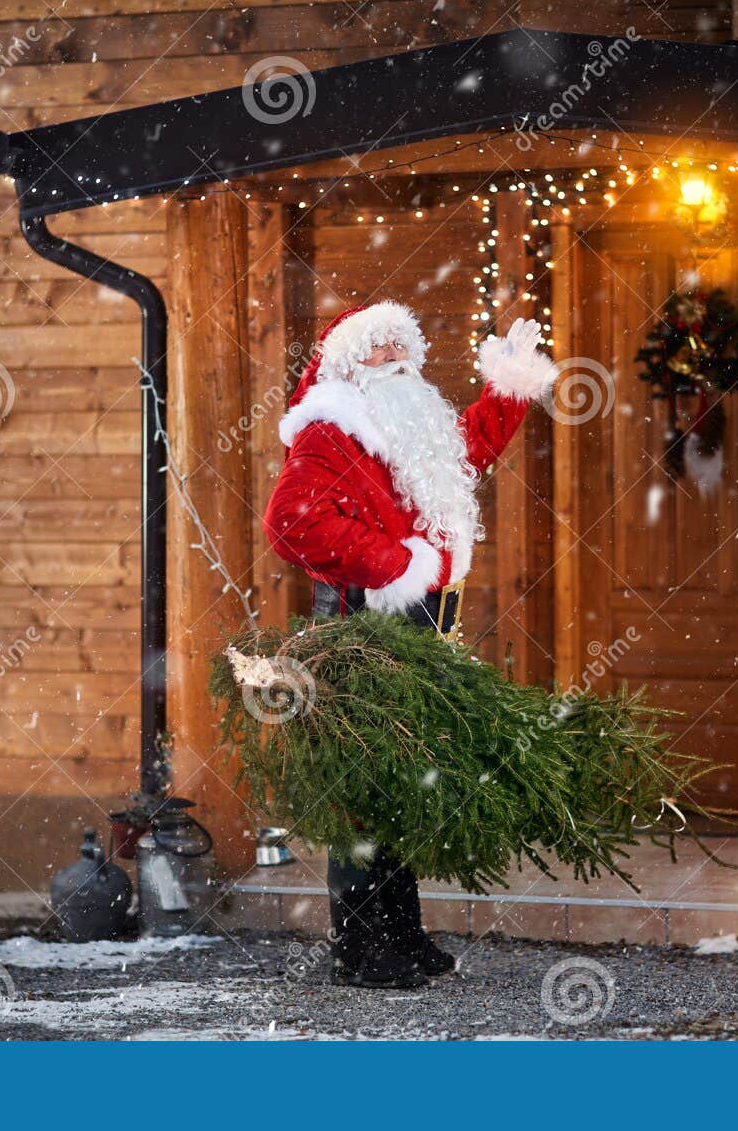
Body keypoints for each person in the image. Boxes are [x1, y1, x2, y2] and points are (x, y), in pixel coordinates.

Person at [262, 300, 557, 988]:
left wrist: (508, 386)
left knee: (400, 784)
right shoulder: (330, 431)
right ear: (345, 361)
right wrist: (396, 565)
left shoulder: (401, 422)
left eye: (403, 342)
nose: (395, 354)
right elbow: (291, 522)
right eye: (378, 345)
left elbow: (464, 451)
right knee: (363, 791)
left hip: (422, 622)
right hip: (363, 624)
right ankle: (360, 949)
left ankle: (400, 932)